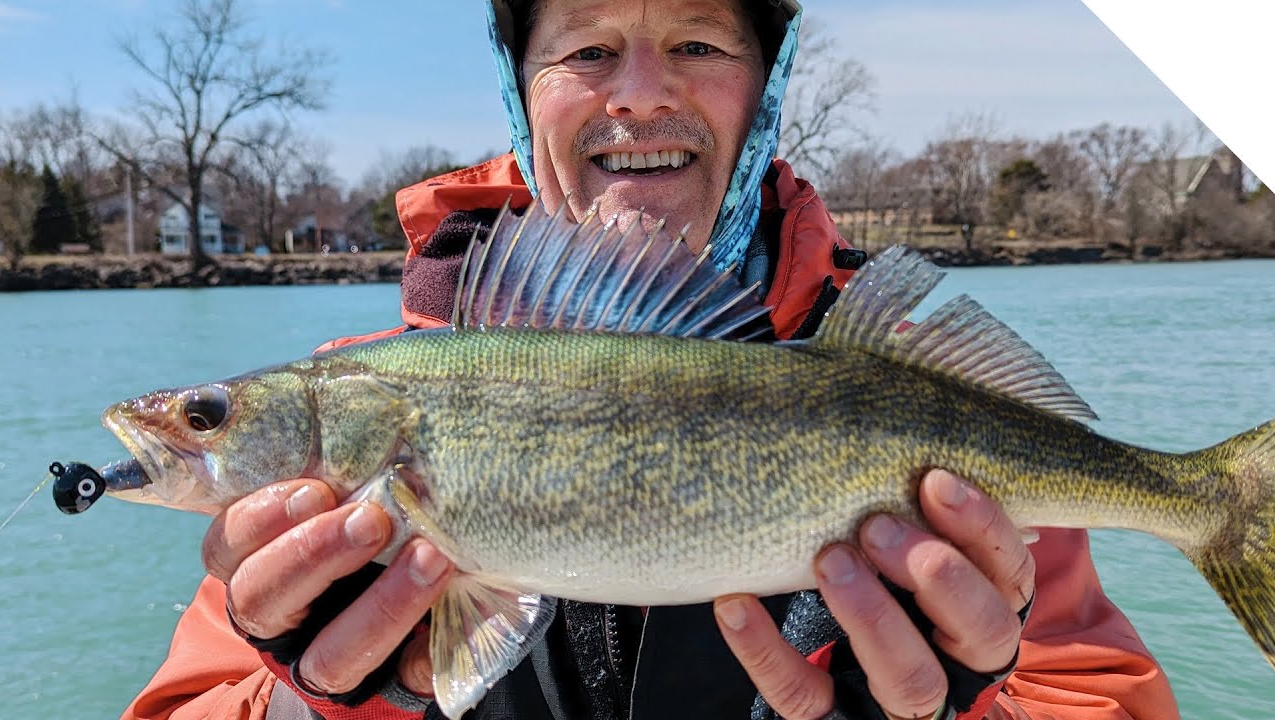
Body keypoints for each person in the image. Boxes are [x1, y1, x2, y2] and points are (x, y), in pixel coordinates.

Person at [122, 2, 1181, 719]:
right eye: (585, 48)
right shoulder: (358, 399)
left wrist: (968, 704)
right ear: (522, 87)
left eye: (697, 43)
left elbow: (1095, 692)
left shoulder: (911, 395)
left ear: (766, 86)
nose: (635, 92)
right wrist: (316, 699)